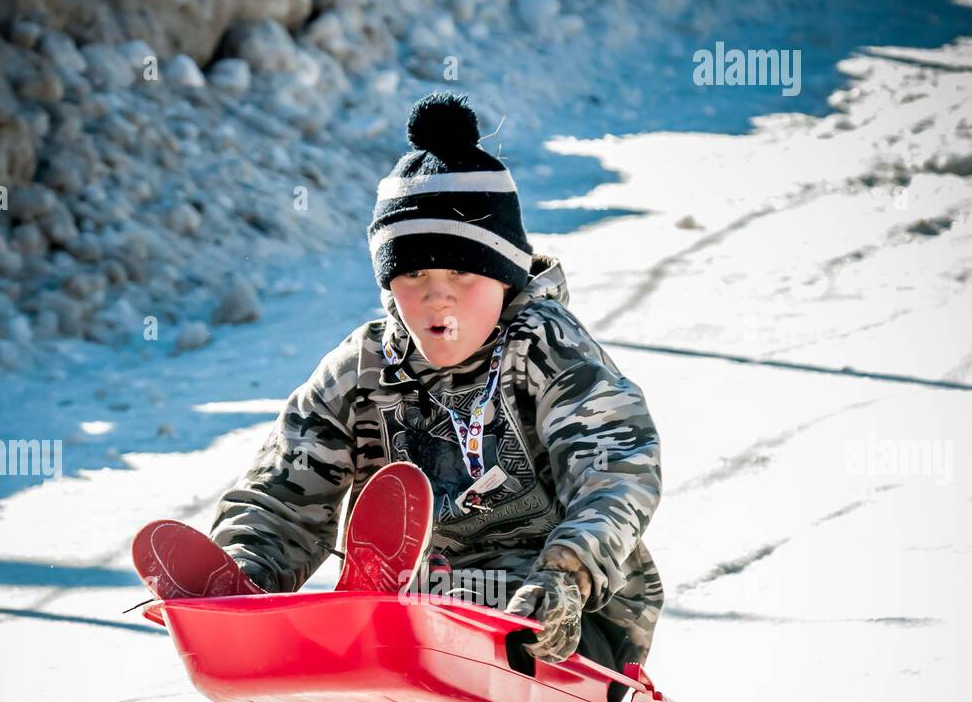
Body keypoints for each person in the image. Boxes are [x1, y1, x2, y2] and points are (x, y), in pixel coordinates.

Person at [210, 90, 663, 672]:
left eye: (462, 272)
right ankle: (370, 613)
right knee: (375, 583)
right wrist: (245, 568)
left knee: (530, 611)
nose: (436, 293)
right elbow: (285, 486)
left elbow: (617, 470)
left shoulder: (546, 346)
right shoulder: (364, 366)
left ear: (504, 276)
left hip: (561, 615)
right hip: (421, 605)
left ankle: (482, 630)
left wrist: (567, 575)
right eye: (414, 273)